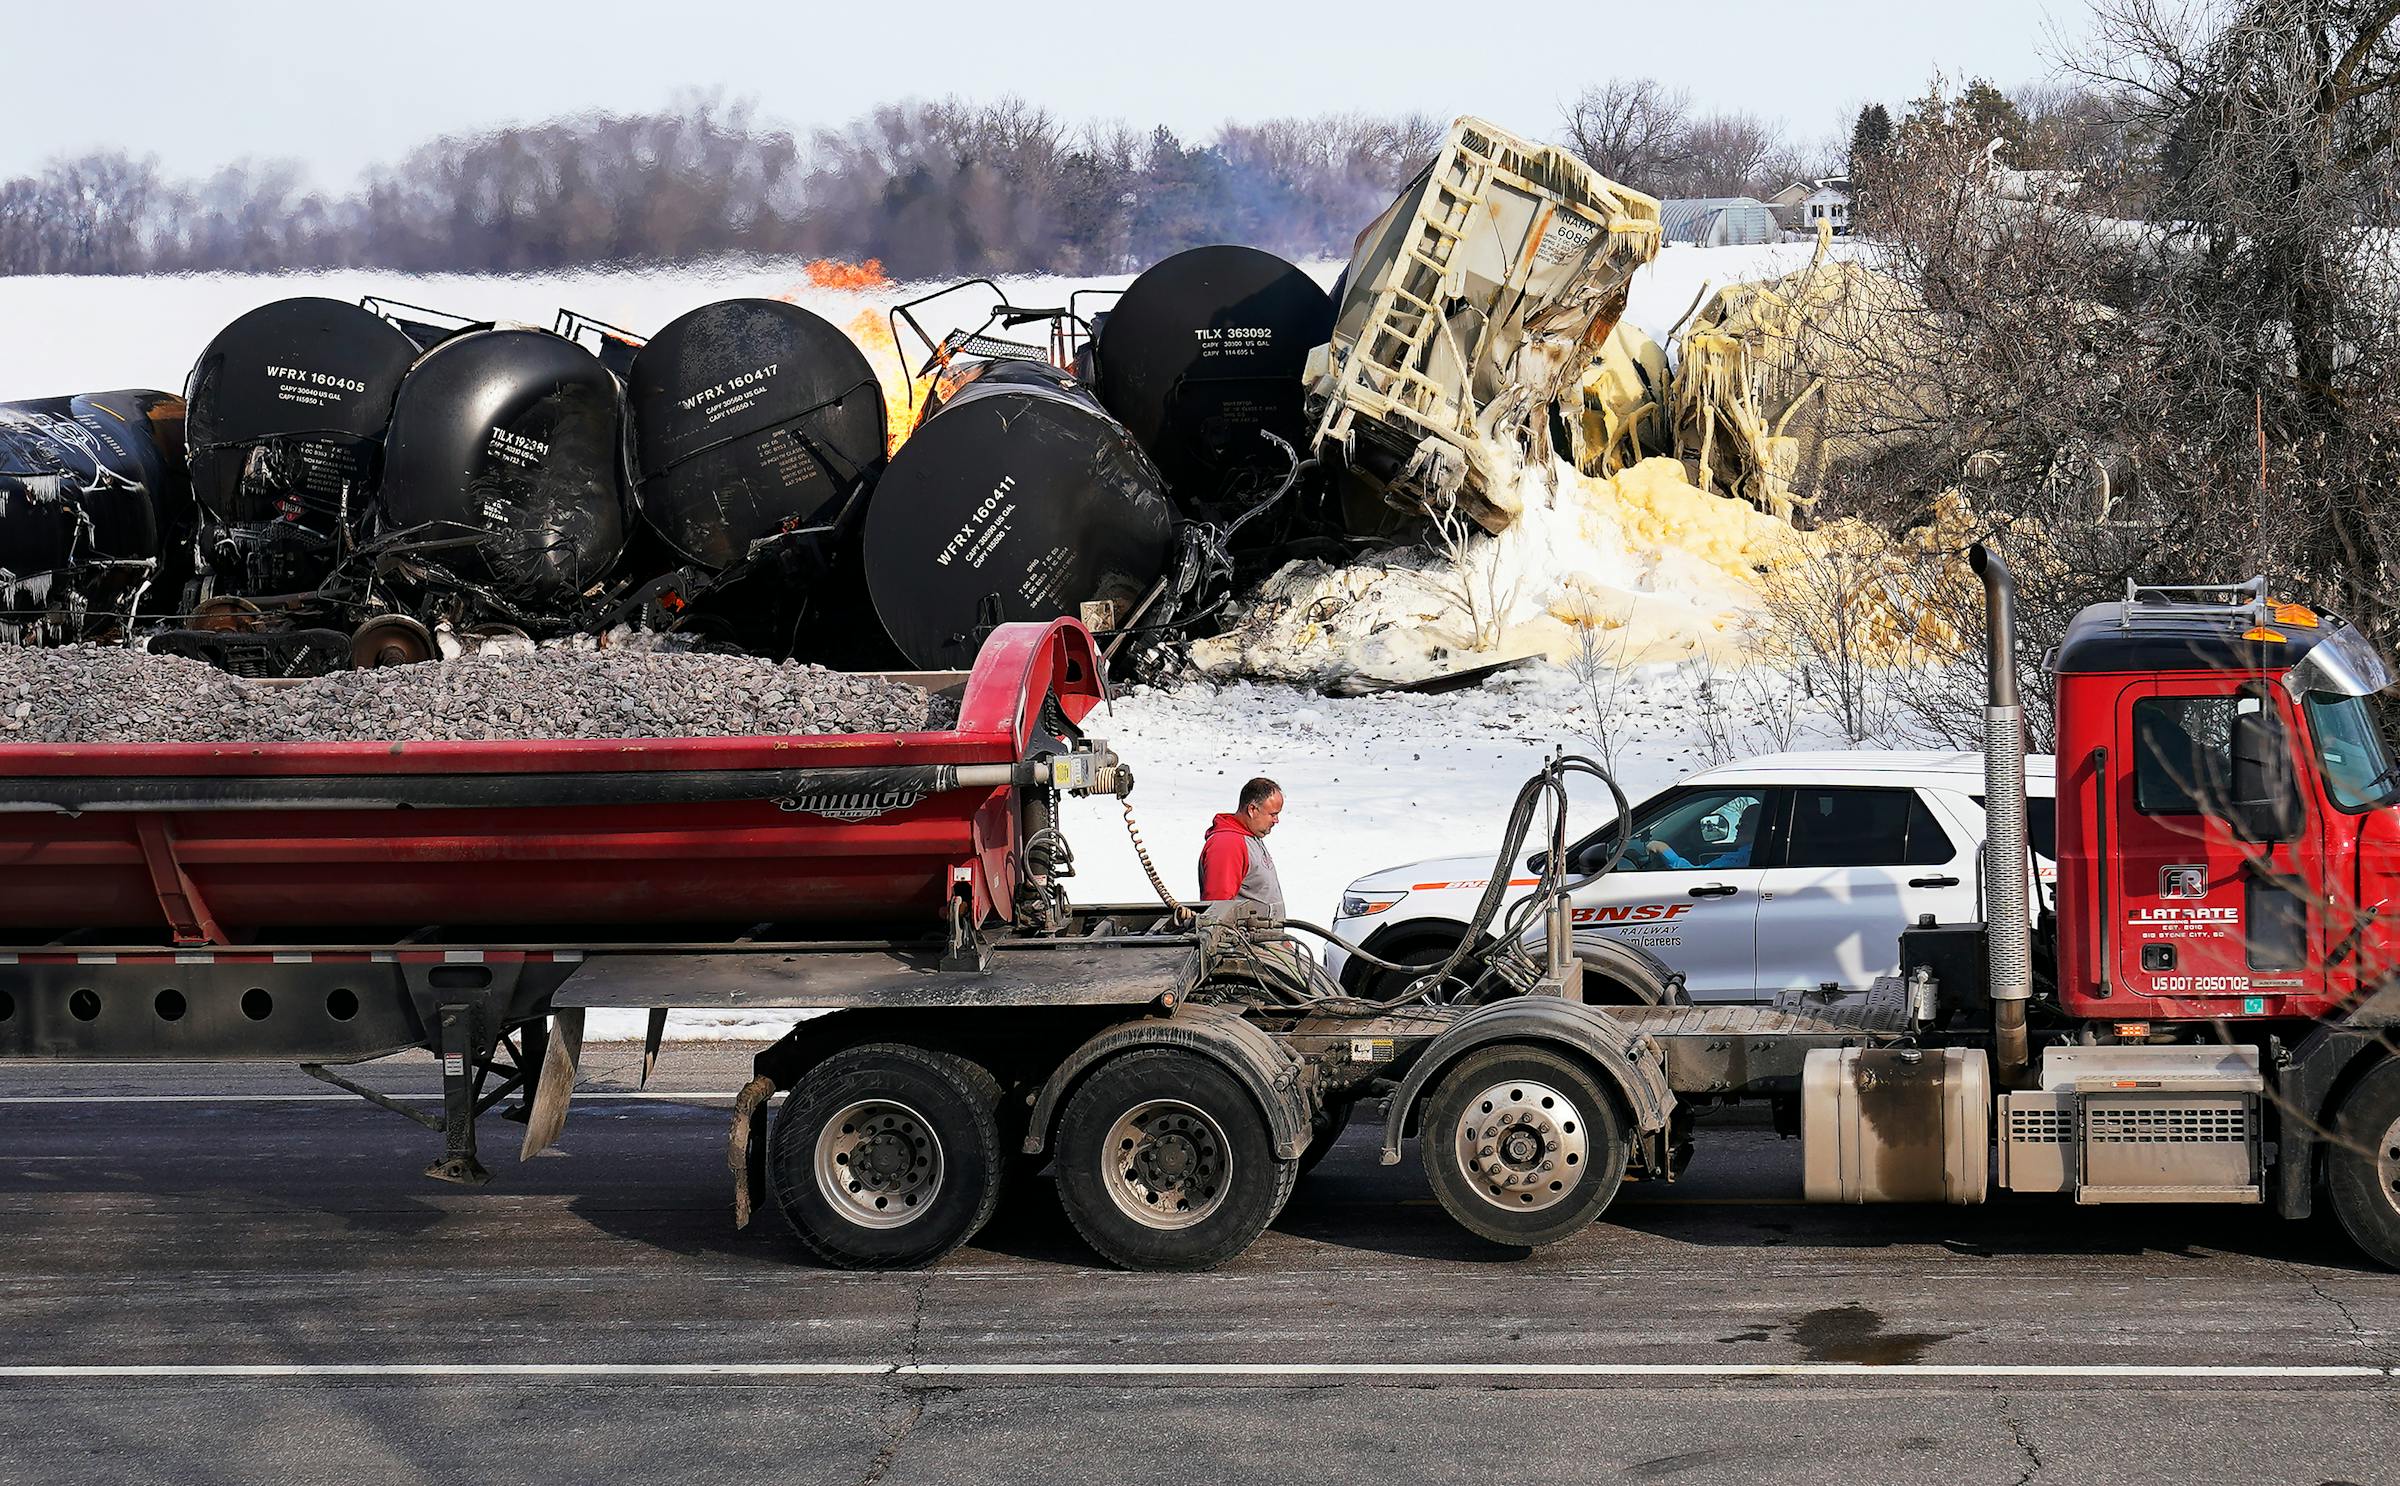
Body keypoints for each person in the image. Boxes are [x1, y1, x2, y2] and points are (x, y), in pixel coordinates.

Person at [1199, 777, 1286, 919]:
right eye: (1273, 814)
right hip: (1246, 940)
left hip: (1265, 937)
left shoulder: (1250, 837)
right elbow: (1218, 910)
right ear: (1252, 809)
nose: (1276, 820)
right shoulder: (1228, 844)